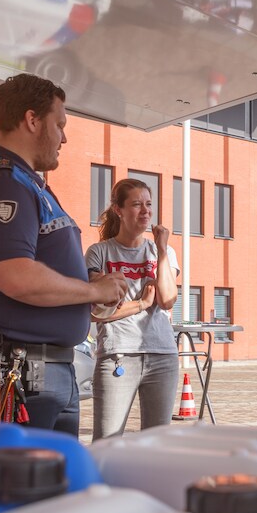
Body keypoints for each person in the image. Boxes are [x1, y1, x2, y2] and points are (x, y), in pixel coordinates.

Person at [0, 73, 126, 436]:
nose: (64, 137)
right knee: (24, 485)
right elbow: (15, 276)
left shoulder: (25, 182)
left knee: (51, 485)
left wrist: (85, 284)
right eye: (59, 124)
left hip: (45, 371)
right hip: (21, 371)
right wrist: (93, 291)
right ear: (32, 120)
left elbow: (35, 267)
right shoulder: (6, 185)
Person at [85, 179, 180, 440]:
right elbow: (97, 312)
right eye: (137, 204)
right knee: (107, 441)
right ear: (118, 209)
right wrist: (141, 304)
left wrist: (160, 250)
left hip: (163, 355)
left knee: (157, 443)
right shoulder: (99, 253)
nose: (145, 211)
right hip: (118, 355)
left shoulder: (165, 252)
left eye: (148, 204)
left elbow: (168, 299)